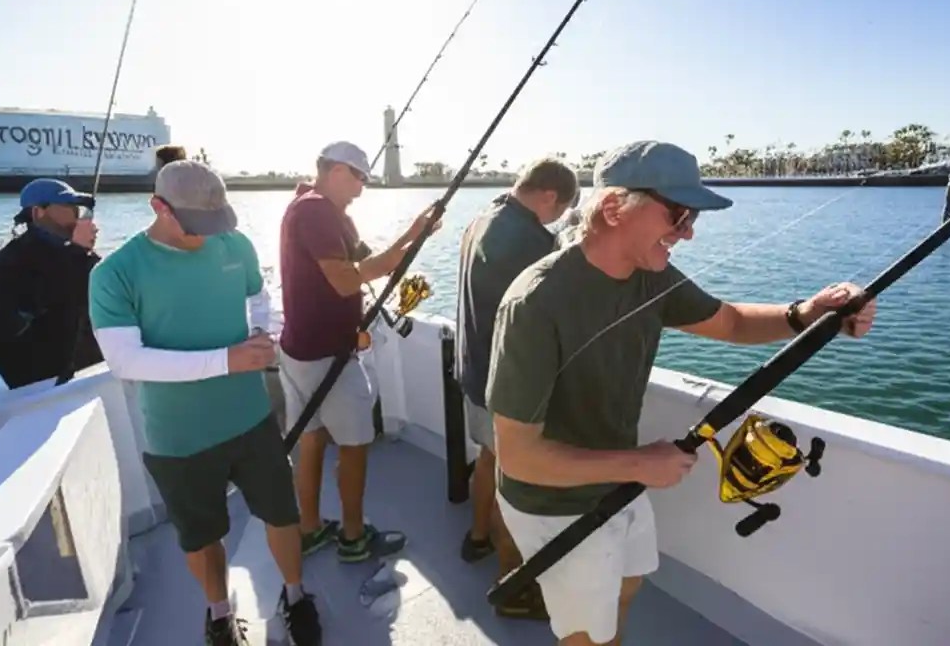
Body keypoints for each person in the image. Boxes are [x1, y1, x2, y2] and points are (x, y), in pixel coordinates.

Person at [486, 140, 878, 646]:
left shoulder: (652, 277)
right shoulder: (535, 303)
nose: (689, 232)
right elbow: (518, 457)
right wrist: (636, 465)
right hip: (553, 500)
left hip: (621, 478)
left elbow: (732, 322)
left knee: (627, 586)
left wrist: (807, 314)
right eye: (679, 215)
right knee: (586, 633)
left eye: (693, 217)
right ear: (612, 208)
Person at [88, 159, 321, 646]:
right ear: (158, 207)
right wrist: (228, 359)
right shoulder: (115, 273)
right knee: (201, 536)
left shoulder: (232, 243)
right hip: (178, 439)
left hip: (252, 419)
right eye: (197, 226)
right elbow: (126, 361)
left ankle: (296, 596)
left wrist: (262, 330)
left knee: (283, 514)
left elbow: (259, 297)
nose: (207, 237)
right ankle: (219, 614)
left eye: (217, 225)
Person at [278, 140, 435, 563]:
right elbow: (348, 281)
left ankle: (308, 529)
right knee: (354, 445)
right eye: (359, 177)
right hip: (328, 355)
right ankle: (352, 537)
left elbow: (370, 259)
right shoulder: (315, 211)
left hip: (299, 349)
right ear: (335, 171)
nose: (362, 188)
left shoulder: (322, 212)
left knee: (309, 440)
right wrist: (402, 253)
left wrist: (415, 232)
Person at [454, 156, 578, 620]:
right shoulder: (531, 239)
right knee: (516, 484)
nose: (557, 220)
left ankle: (477, 538)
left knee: (489, 458)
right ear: (548, 196)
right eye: (560, 210)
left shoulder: (483, 216)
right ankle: (513, 587)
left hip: (471, 371)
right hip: (504, 383)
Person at [0, 178, 103, 388]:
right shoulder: (8, 262)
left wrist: (85, 253)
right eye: (68, 208)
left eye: (77, 209)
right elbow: (41, 299)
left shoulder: (70, 253)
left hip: (84, 372)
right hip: (41, 381)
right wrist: (79, 252)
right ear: (38, 213)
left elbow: (100, 291)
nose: (76, 216)